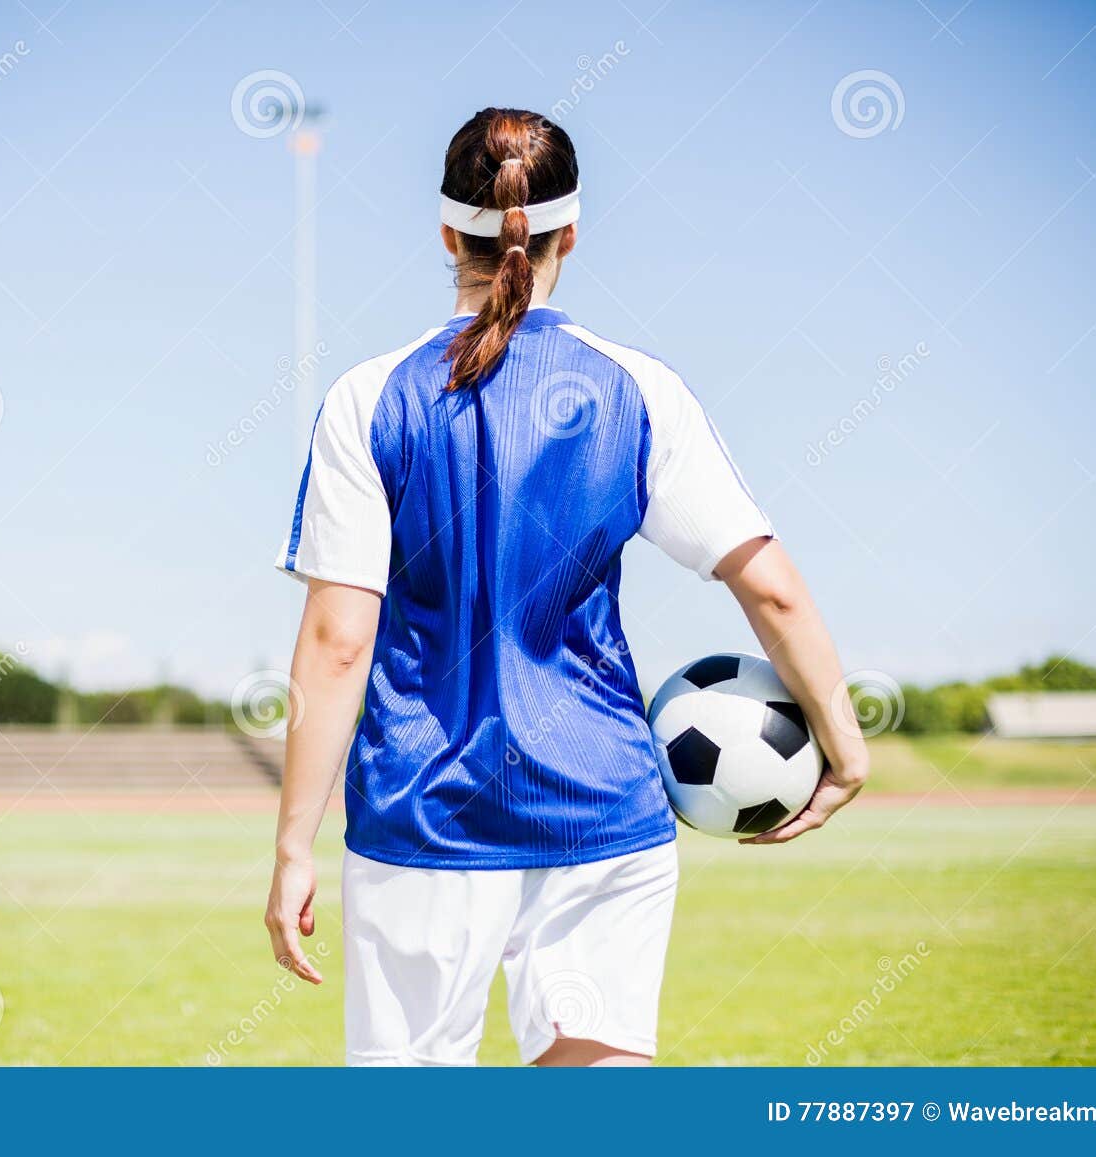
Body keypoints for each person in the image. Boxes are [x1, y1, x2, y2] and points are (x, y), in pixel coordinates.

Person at [265, 107, 868, 1067]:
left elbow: (339, 641)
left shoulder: (371, 397)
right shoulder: (639, 390)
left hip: (422, 817)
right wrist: (841, 744)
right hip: (599, 810)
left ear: (444, 231)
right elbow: (776, 592)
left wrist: (294, 841)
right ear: (571, 233)